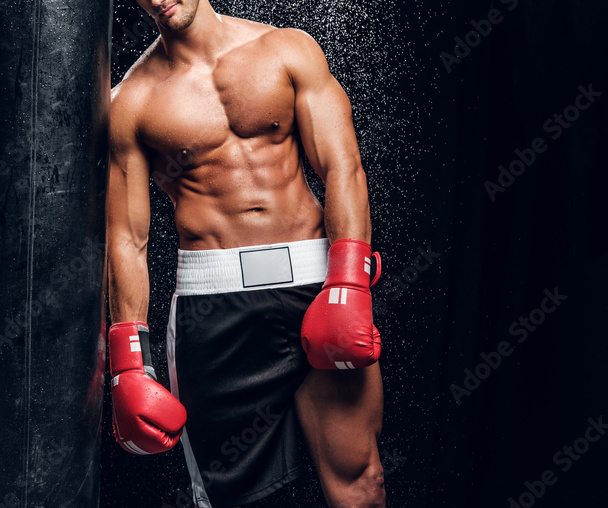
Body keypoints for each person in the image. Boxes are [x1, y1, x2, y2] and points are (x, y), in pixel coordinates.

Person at [104, 0, 385, 506]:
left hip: (316, 282)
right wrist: (129, 364)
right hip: (215, 307)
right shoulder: (132, 100)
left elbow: (344, 167)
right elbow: (127, 237)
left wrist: (349, 279)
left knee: (361, 481)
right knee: (232, 501)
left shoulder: (287, 51)